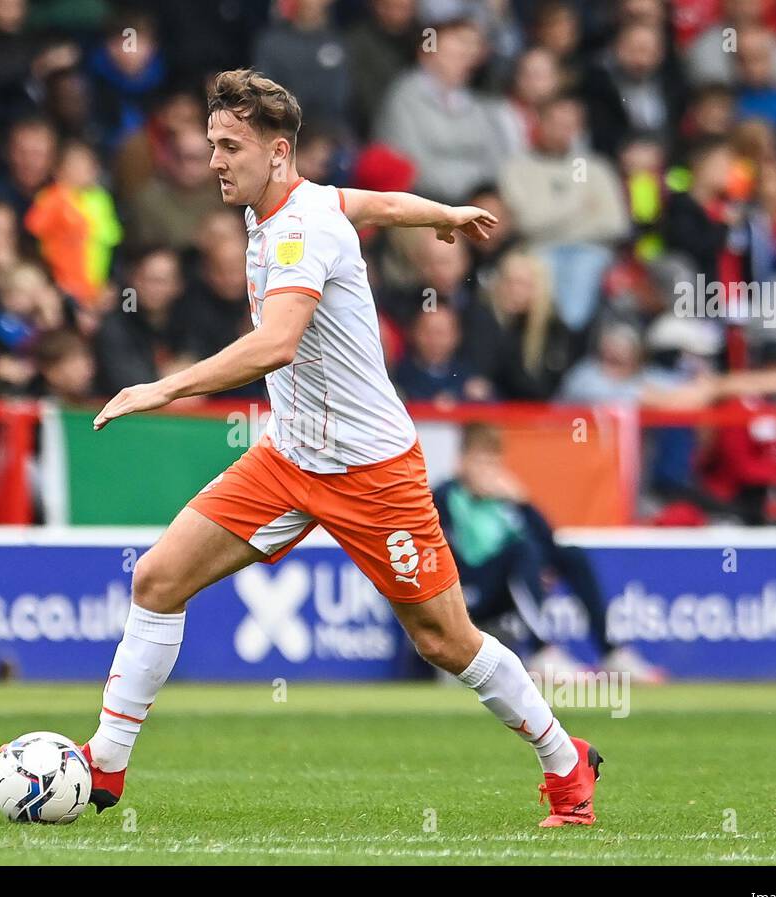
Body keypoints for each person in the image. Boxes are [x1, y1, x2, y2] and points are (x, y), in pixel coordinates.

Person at [83, 69, 603, 828]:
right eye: (211, 144)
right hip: (288, 457)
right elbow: (377, 204)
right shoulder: (298, 203)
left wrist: (161, 389)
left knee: (444, 640)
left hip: (372, 471)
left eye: (230, 147)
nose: (214, 161)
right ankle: (105, 761)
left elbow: (277, 344)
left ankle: (565, 760)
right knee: (158, 579)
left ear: (278, 152)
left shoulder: (302, 231)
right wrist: (443, 214)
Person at [433, 423, 666, 683]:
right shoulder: (444, 497)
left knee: (571, 555)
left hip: (508, 585)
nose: (488, 471)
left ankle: (611, 652)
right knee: (520, 551)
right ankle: (541, 651)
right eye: (482, 462)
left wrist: (523, 501)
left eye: (494, 462)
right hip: (468, 591)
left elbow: (548, 544)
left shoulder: (503, 499)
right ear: (462, 461)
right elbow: (444, 556)